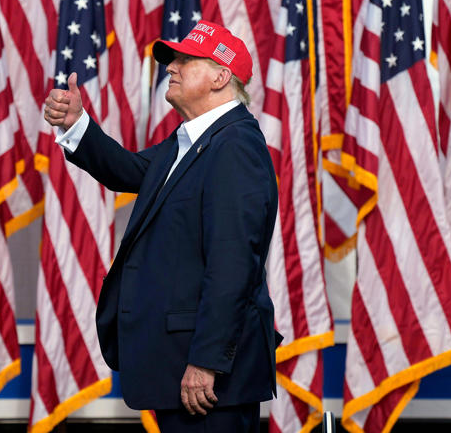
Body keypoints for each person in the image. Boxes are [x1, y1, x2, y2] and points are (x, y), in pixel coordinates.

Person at [43, 21, 280, 432]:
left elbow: (233, 266)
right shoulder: (192, 142)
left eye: (185, 59)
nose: (171, 66)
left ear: (220, 77)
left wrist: (206, 361)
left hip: (208, 381)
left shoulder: (235, 145)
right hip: (178, 369)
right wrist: (77, 124)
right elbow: (129, 171)